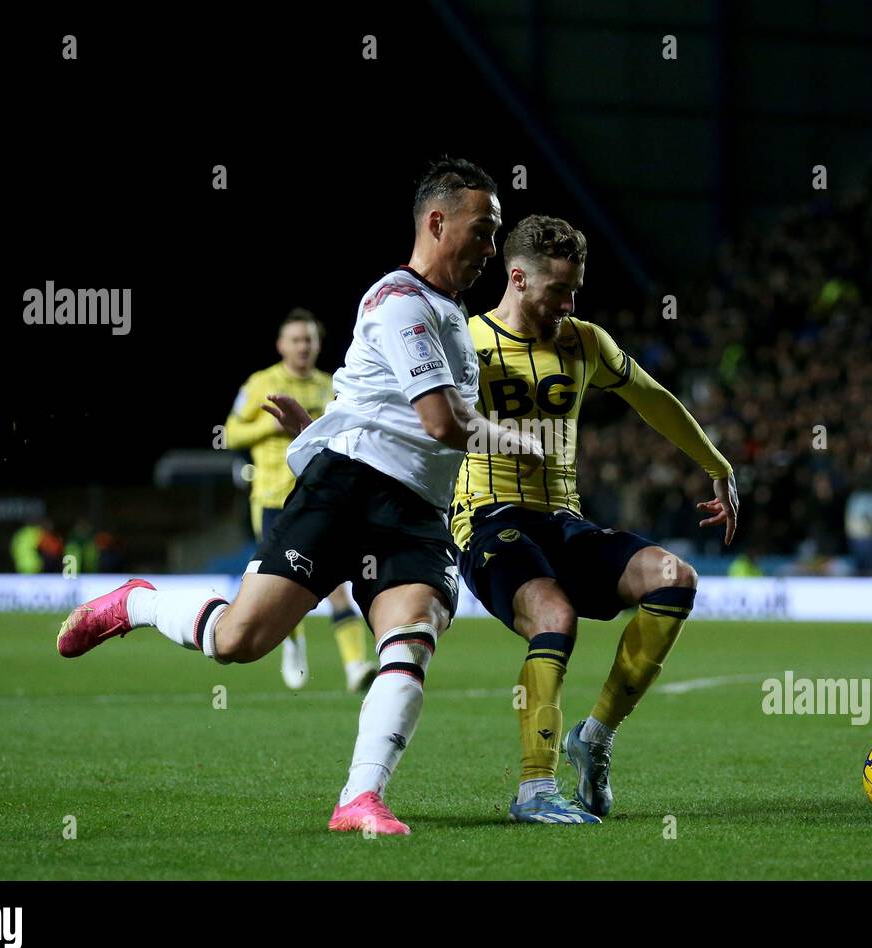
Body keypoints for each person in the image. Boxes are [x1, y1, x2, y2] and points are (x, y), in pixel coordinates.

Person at [57, 158, 543, 835]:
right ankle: (134, 601)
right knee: (238, 640)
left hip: (417, 513)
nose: (491, 248)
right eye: (483, 231)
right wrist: (517, 441)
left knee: (413, 636)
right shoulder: (398, 301)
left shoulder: (451, 316)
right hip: (344, 492)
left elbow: (399, 417)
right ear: (437, 222)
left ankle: (359, 799)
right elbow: (439, 420)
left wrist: (329, 423)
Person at [451, 214, 738, 823]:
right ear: (519, 278)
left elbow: (653, 399)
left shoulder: (584, 341)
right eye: (559, 289)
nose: (569, 301)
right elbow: (418, 420)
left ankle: (595, 736)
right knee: (552, 614)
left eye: (575, 288)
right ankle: (535, 788)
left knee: (673, 578)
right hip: (486, 520)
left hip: (563, 522)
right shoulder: (465, 342)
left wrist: (719, 466)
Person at [225, 308, 375, 692]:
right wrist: (267, 426)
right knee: (283, 586)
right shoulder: (261, 383)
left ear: (318, 344)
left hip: (322, 497)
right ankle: (294, 643)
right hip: (274, 500)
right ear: (281, 345)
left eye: (309, 339)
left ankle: (356, 665)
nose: (303, 346)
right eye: (295, 339)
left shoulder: (331, 386)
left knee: (338, 582)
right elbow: (230, 434)